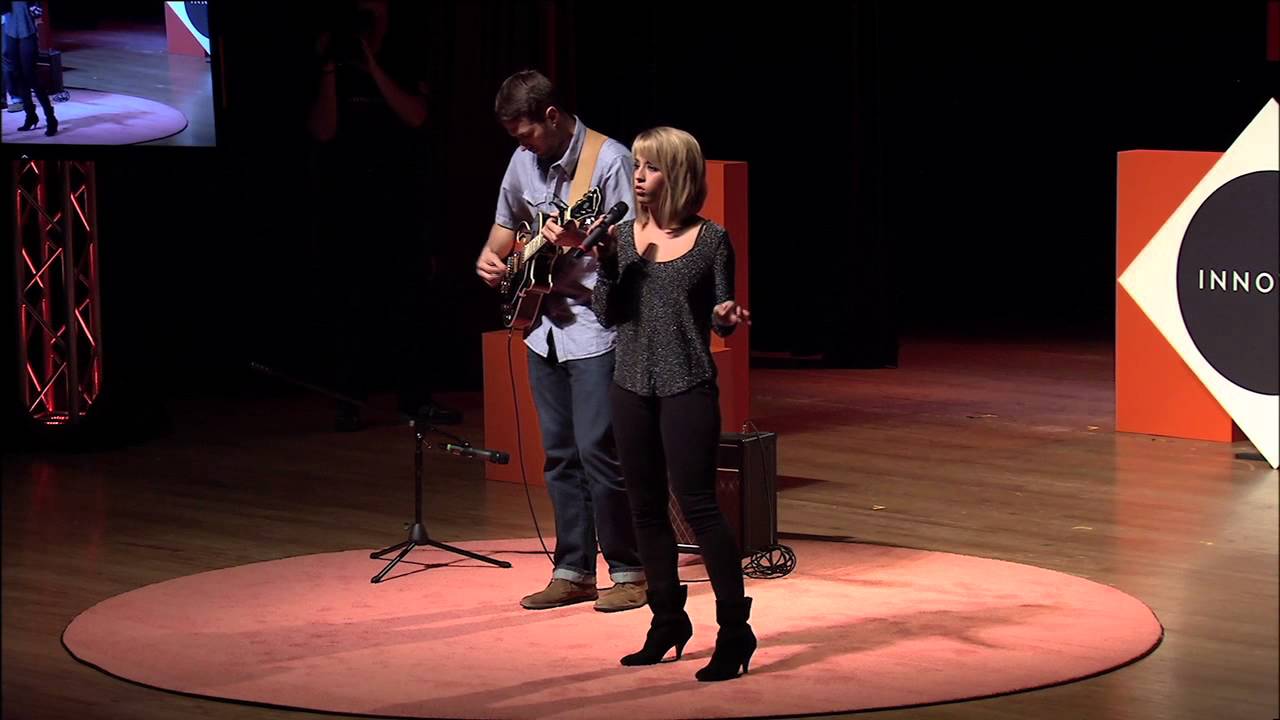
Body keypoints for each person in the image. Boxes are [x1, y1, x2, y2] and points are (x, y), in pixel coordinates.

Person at [585, 127, 755, 681]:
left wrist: (724, 317)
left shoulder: (711, 240)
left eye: (650, 167)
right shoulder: (622, 237)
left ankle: (735, 630)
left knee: (699, 507)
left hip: (687, 384)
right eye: (635, 165)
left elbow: (716, 309)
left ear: (677, 175)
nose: (637, 175)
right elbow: (607, 313)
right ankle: (666, 621)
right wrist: (608, 262)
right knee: (644, 510)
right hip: (629, 384)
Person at [474, 70, 646, 612]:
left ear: (551, 116)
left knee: (601, 450)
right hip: (543, 324)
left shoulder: (610, 160)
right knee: (559, 454)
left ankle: (630, 571)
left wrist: (586, 244)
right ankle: (573, 570)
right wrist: (493, 256)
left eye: (525, 134)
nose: (521, 145)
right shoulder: (525, 160)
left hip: (597, 326)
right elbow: (508, 221)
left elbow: (639, 248)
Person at [306, 0, 459, 430]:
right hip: (346, 207)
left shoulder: (404, 54)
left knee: (410, 306)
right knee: (350, 307)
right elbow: (323, 130)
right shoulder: (328, 57)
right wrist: (333, 70)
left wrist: (371, 63)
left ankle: (416, 400)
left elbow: (415, 116)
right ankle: (348, 402)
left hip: (401, 204)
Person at [2, 0, 57, 135]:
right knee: (18, 76)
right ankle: (30, 115)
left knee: (31, 77)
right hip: (10, 34)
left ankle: (51, 118)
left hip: (28, 34)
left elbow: (38, 12)